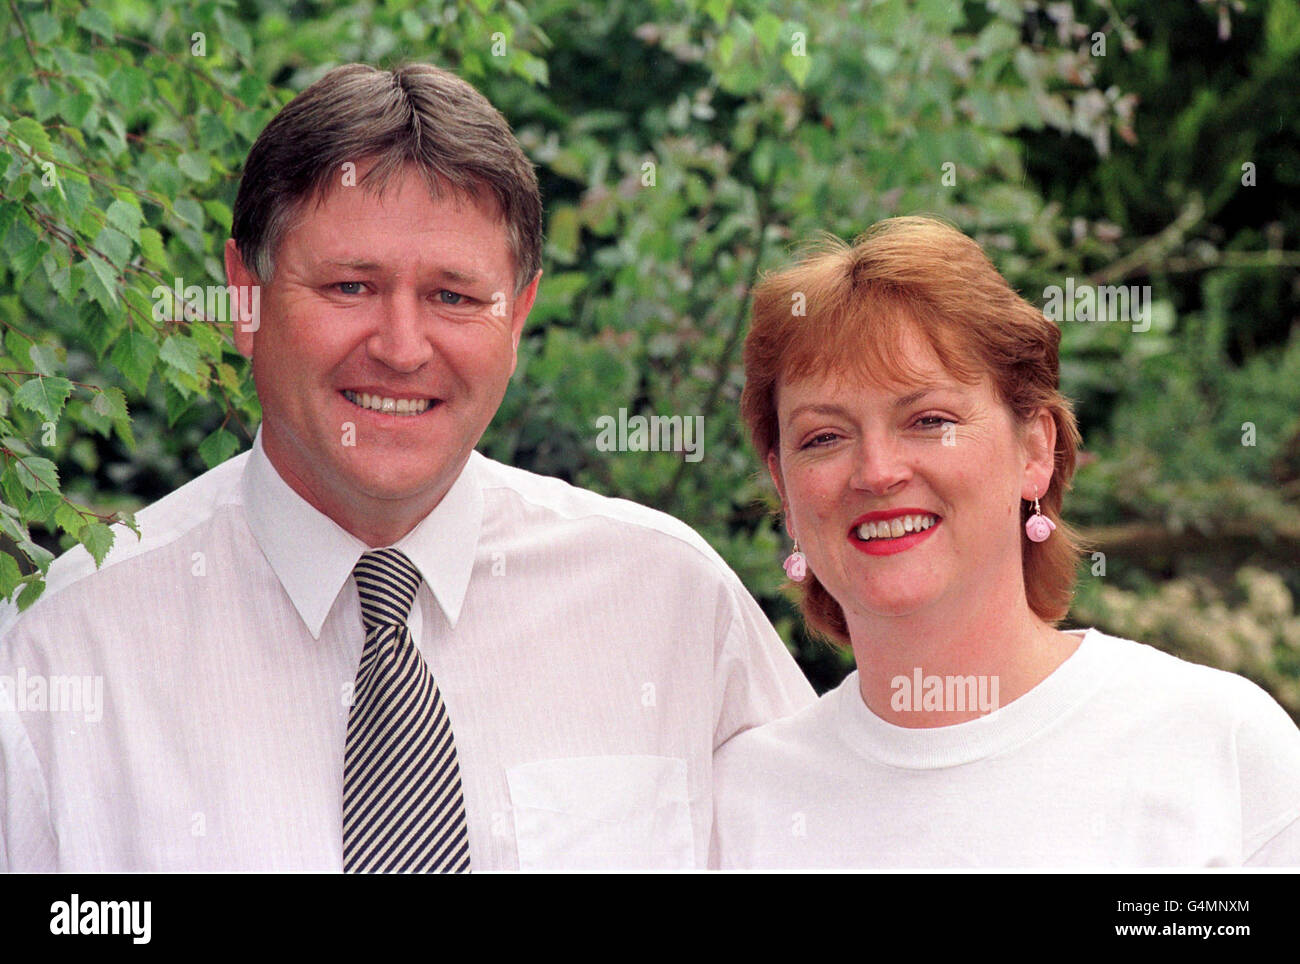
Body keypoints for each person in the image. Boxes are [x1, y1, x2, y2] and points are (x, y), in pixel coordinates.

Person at [0, 63, 814, 873]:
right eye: (351, 286)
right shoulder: (58, 657)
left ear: (519, 315)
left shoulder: (672, 606)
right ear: (244, 300)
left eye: (454, 297)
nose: (400, 347)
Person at [711, 216, 1300, 868]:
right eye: (824, 436)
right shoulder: (734, 809)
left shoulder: (1220, 751)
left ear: (1035, 449)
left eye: (929, 420)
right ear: (784, 488)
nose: (877, 471)